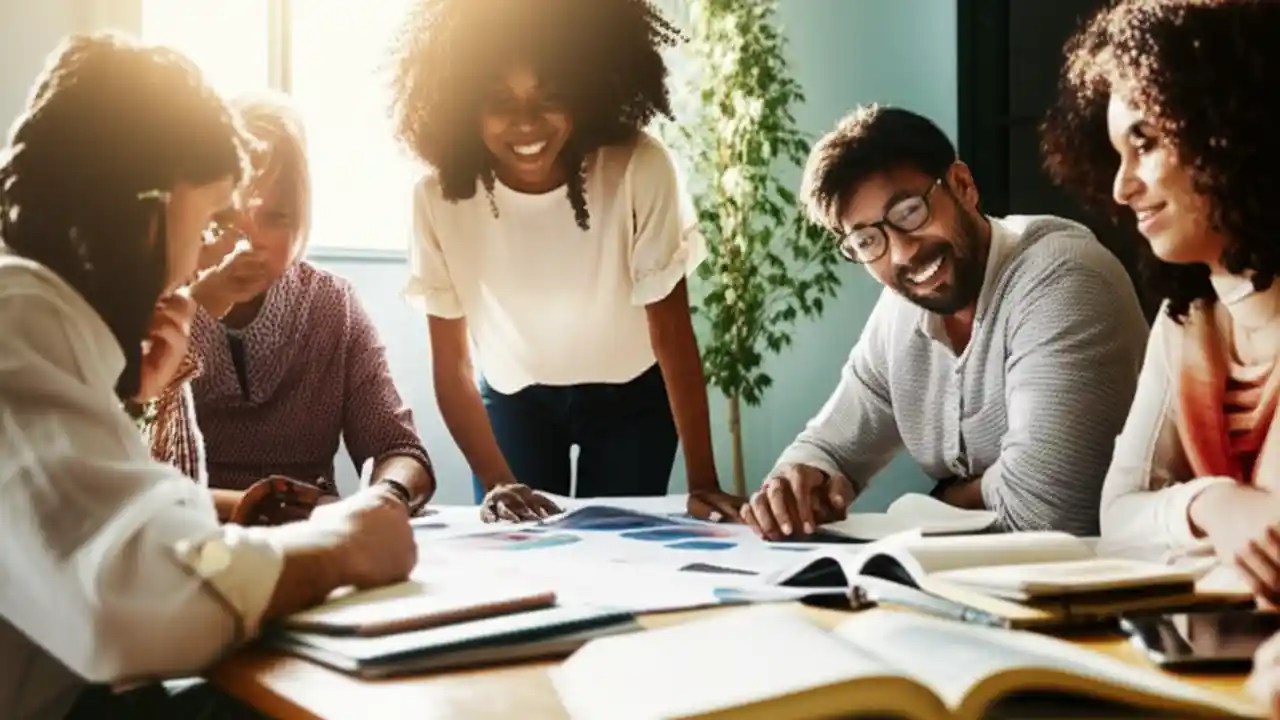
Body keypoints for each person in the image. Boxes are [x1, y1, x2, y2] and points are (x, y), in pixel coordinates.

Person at [0, 34, 416, 719]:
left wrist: (133, 401)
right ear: (143, 215)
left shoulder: (59, 335)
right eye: (209, 223)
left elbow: (114, 528)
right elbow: (141, 603)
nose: (202, 258)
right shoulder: (21, 321)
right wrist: (340, 548)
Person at [389, 0, 742, 522]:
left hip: (633, 404)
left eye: (550, 96)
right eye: (500, 100)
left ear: (585, 87)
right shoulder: (437, 199)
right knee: (519, 555)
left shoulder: (639, 168)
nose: (527, 122)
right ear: (461, 102)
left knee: (623, 554)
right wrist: (497, 481)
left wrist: (704, 481)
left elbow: (671, 333)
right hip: (514, 403)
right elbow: (453, 366)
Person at [742, 105, 1148, 540]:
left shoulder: (1064, 278)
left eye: (909, 213)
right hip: (972, 589)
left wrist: (937, 500)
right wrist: (800, 482)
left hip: (1092, 590)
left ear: (962, 185)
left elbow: (1046, 510)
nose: (900, 253)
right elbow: (828, 445)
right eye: (867, 241)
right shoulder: (901, 311)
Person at [1042, 0, 1280, 603]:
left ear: (1231, 130)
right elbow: (1116, 516)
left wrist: (1177, 519)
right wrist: (1211, 504)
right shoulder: (1187, 322)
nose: (1122, 187)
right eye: (1115, 155)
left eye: (1143, 144)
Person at [150, 93, 436, 522]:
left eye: (276, 218)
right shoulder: (155, 306)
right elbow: (128, 478)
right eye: (228, 220)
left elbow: (398, 449)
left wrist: (387, 496)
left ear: (302, 220)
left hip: (318, 534)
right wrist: (267, 506)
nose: (252, 241)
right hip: (188, 535)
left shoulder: (331, 306)